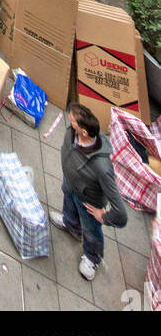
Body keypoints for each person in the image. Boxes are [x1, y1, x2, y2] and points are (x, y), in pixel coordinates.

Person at [50, 102, 128, 281]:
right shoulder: (73, 134)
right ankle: (71, 225)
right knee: (68, 204)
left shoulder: (102, 166)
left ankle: (92, 258)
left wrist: (105, 216)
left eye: (73, 121)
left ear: (84, 132)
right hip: (71, 184)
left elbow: (121, 213)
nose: (70, 121)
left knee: (92, 231)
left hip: (88, 201)